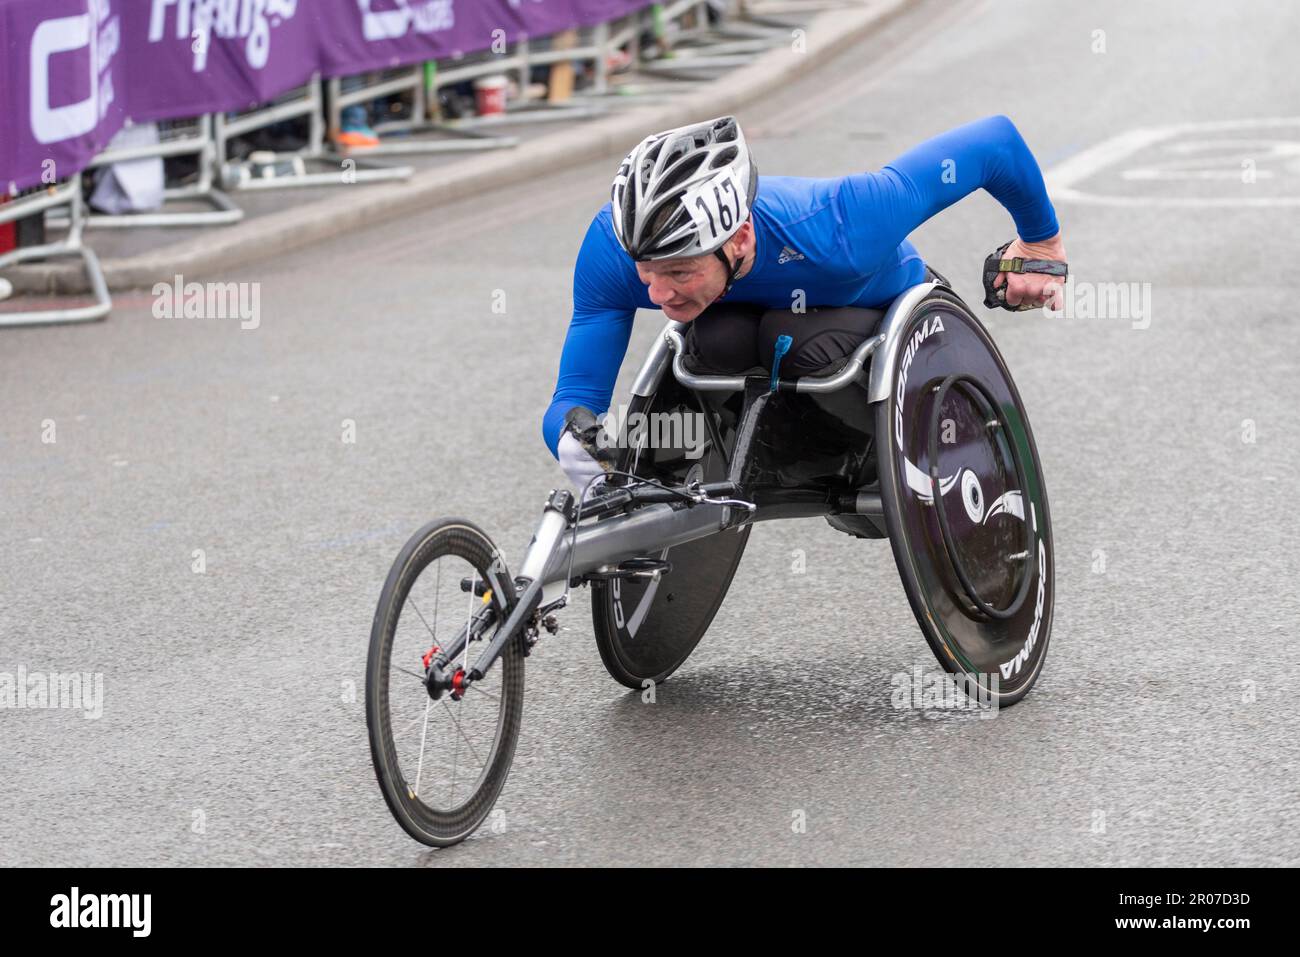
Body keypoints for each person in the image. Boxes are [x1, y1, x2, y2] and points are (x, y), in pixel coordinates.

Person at [545, 114, 1067, 496]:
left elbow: (995, 143)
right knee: (714, 344)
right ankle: (780, 450)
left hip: (873, 320)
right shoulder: (614, 252)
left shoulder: (844, 222)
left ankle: (861, 453)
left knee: (789, 339)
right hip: (751, 327)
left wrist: (1040, 243)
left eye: (679, 272)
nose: (657, 294)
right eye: (647, 274)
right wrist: (575, 442)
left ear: (740, 238)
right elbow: (573, 393)